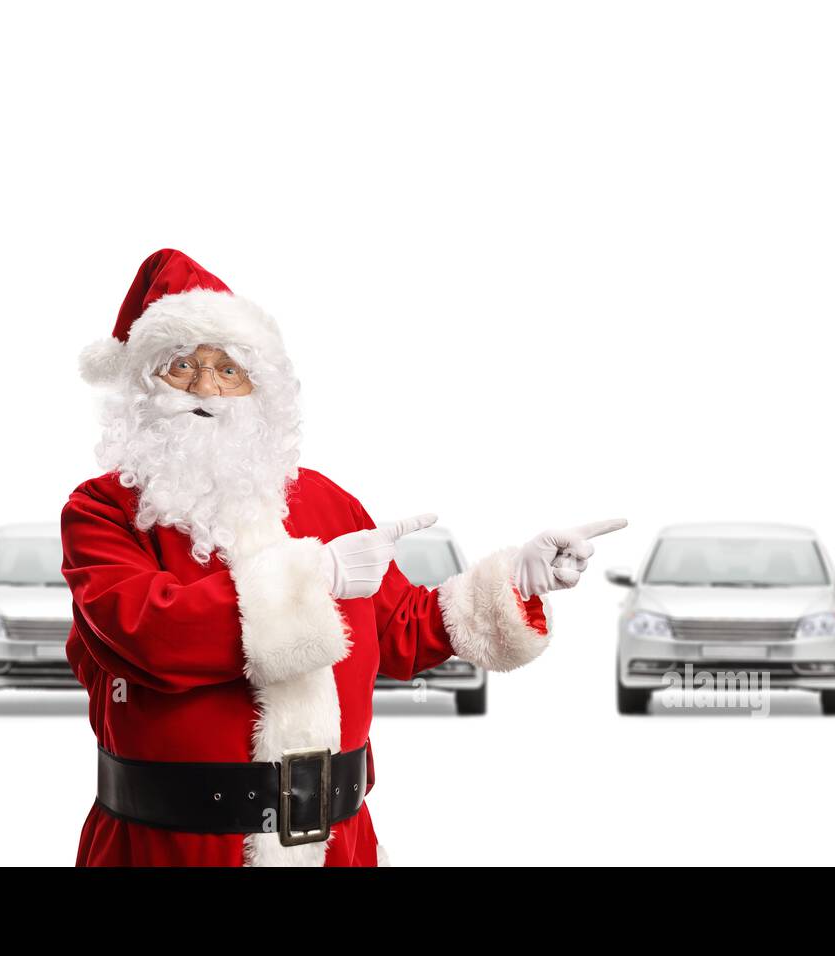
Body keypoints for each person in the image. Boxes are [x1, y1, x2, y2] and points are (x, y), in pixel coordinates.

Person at [62, 248, 626, 866]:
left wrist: (515, 580)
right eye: (180, 366)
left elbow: (400, 631)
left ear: (261, 389)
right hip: (169, 847)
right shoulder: (102, 510)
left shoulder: (328, 502)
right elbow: (146, 631)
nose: (206, 388)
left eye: (228, 369)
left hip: (335, 844)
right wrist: (319, 577)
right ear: (142, 387)